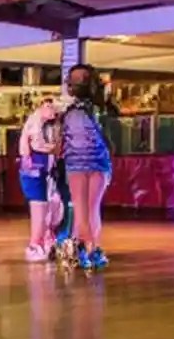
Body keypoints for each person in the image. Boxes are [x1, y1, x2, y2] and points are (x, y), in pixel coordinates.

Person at [61, 64, 114, 270]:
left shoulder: (70, 112)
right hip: (96, 163)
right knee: (91, 209)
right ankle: (91, 249)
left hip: (79, 163)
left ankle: (86, 249)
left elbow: (62, 141)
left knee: (83, 210)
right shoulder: (101, 110)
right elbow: (110, 139)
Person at [18, 97, 61, 261]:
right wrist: (54, 149)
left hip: (47, 170)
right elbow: (36, 145)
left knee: (54, 205)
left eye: (53, 106)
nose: (52, 110)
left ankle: (46, 238)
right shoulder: (34, 121)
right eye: (48, 106)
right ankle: (35, 244)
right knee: (39, 207)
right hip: (34, 169)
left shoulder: (52, 124)